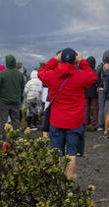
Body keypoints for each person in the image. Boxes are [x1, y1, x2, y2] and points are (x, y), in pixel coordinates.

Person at [38, 48, 97, 179]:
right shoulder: (81, 76)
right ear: (74, 61)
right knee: (71, 153)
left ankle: (58, 182)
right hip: (75, 121)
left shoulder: (52, 76)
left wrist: (54, 60)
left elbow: (41, 73)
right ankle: (68, 184)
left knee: (56, 152)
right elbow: (93, 77)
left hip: (57, 120)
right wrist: (82, 62)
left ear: (61, 58)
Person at [0, 55, 26, 141]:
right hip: (16, 101)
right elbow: (22, 88)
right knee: (16, 121)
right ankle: (15, 139)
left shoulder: (2, 73)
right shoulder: (20, 75)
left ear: (7, 62)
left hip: (3, 101)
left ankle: (4, 141)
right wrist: (20, 99)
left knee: (3, 122)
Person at [97, 50, 109, 131]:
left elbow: (96, 77)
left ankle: (100, 125)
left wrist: (98, 86)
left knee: (101, 107)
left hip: (101, 89)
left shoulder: (100, 66)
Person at [83, 56, 99, 130]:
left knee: (86, 107)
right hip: (94, 91)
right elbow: (98, 81)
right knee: (95, 107)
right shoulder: (96, 72)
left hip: (85, 91)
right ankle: (95, 122)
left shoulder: (84, 72)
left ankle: (86, 121)